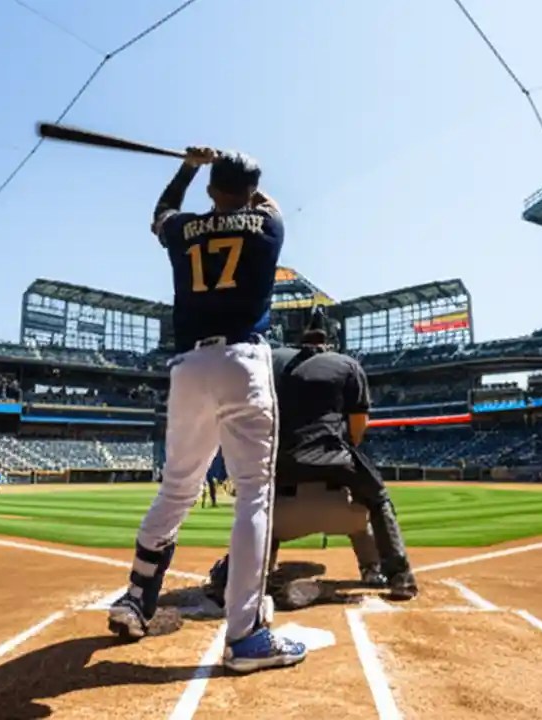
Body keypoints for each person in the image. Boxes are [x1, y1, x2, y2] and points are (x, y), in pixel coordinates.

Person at [108, 147, 304, 674]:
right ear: (248, 191)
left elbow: (161, 212)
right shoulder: (267, 225)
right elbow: (266, 200)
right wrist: (229, 178)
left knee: (177, 486)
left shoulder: (184, 228)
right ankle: (246, 636)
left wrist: (191, 166)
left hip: (189, 366)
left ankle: (134, 598)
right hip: (244, 361)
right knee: (253, 497)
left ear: (213, 190)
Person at [205, 310, 417, 602]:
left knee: (255, 502)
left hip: (280, 466)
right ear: (329, 341)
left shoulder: (274, 360)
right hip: (335, 463)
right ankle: (398, 576)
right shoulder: (348, 365)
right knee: (378, 498)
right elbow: (357, 431)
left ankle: (233, 575)